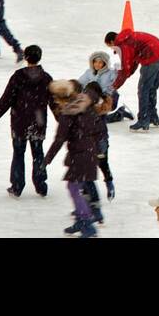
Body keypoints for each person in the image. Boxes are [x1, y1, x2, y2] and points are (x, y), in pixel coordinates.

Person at [0, 44, 53, 198]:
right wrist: (64, 121)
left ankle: (17, 186)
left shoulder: (18, 77)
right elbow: (54, 102)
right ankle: (41, 185)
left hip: (20, 122)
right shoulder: (46, 78)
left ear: (26, 57)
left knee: (18, 153)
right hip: (39, 122)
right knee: (38, 153)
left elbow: (6, 99)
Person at [44, 80, 102, 237]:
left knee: (73, 187)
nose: (55, 102)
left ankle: (86, 223)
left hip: (80, 154)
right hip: (89, 152)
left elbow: (59, 139)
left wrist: (46, 159)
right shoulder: (86, 106)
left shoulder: (68, 114)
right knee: (78, 186)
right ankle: (82, 218)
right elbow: (98, 128)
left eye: (56, 98)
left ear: (62, 98)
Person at [106, 27, 159, 131]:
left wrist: (115, 85)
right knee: (152, 87)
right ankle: (152, 117)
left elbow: (126, 68)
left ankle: (143, 121)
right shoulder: (128, 39)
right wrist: (127, 74)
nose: (113, 49)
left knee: (143, 89)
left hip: (152, 56)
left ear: (112, 41)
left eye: (111, 46)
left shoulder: (123, 44)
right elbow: (132, 62)